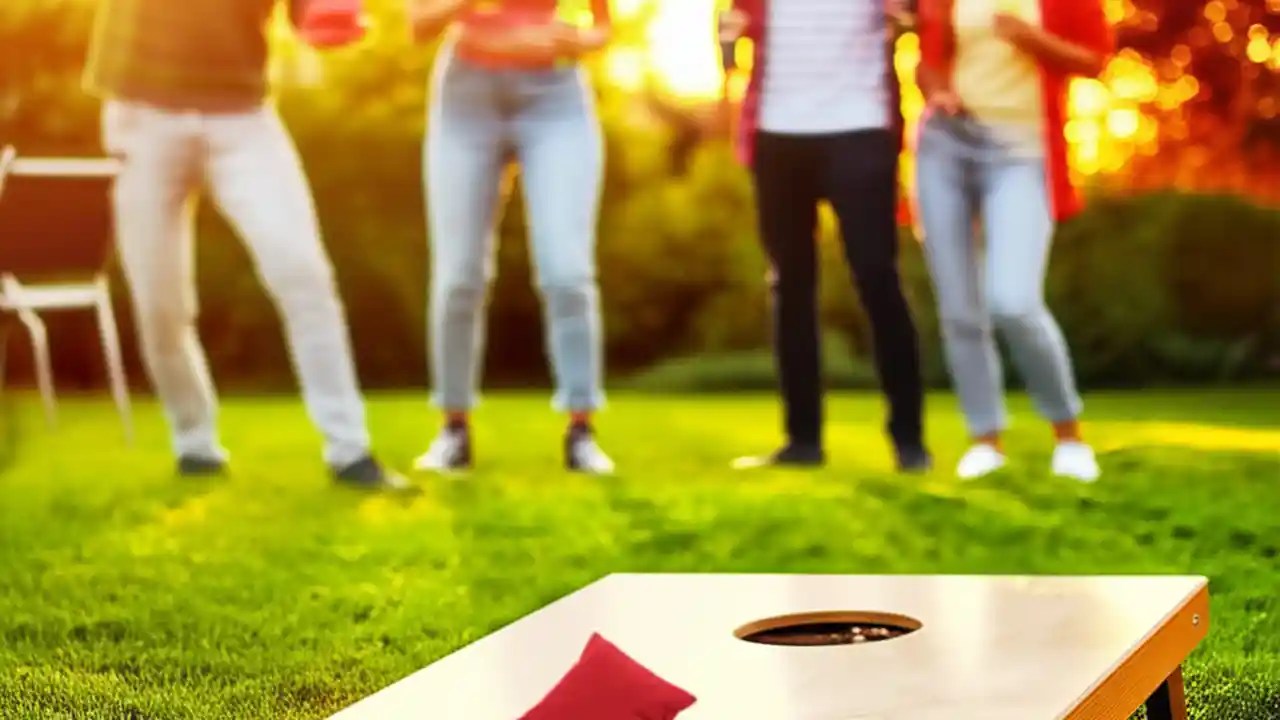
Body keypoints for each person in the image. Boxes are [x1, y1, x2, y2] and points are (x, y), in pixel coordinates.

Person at [84, 0, 409, 490]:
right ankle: (195, 444)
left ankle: (350, 451)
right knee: (159, 302)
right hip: (142, 111)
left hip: (244, 119)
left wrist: (327, 19)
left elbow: (312, 13)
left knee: (304, 275)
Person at [720, 0, 932, 473]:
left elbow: (921, 17)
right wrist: (728, 40)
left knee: (876, 275)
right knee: (789, 283)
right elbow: (732, 27)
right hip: (777, 132)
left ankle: (909, 441)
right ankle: (802, 441)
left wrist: (907, 18)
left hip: (860, 127)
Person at [408, 0, 616, 474]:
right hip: (466, 98)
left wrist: (582, 40)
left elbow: (603, 24)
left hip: (556, 98)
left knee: (567, 272)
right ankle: (453, 430)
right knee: (458, 276)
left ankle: (581, 431)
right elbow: (419, 24)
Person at [913, 0, 1112, 480]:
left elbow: (1096, 60)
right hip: (945, 144)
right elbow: (928, 62)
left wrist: (1031, 39)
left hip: (1022, 150)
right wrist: (938, 90)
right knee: (959, 310)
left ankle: (1069, 437)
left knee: (1013, 301)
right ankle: (985, 441)